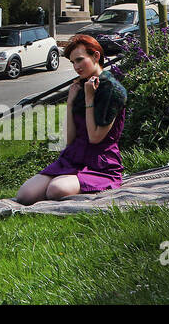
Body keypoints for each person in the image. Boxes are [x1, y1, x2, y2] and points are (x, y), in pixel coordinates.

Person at [16, 34, 126, 204]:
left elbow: (95, 138)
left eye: (80, 60)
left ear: (96, 56)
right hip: (73, 156)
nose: (76, 66)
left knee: (56, 189)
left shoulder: (112, 90)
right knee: (25, 195)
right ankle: (67, 182)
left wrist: (89, 99)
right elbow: (68, 139)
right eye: (73, 62)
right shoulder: (81, 87)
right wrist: (69, 104)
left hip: (100, 162)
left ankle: (79, 184)